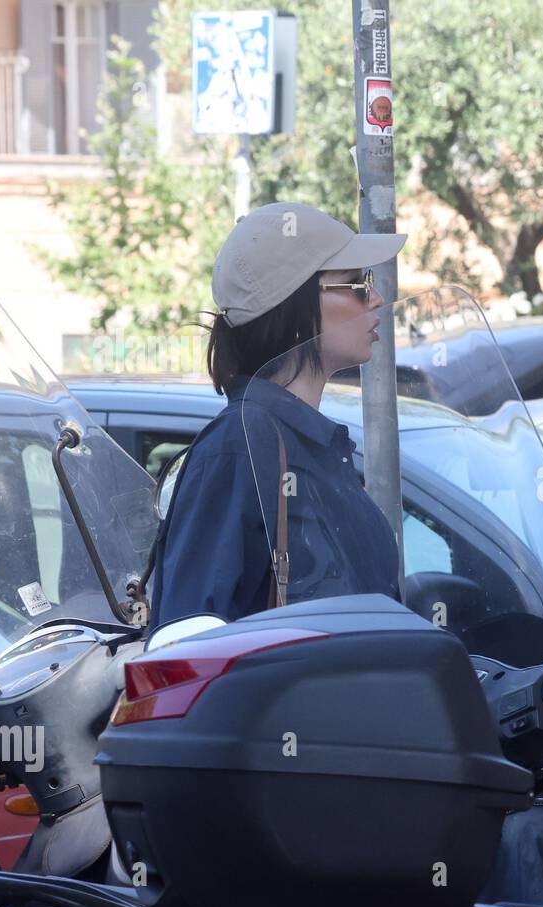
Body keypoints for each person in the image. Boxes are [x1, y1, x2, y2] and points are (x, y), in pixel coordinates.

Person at [148, 202, 405, 629]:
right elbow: (185, 644)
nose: (375, 298)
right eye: (355, 283)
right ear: (294, 306)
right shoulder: (240, 447)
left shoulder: (309, 443)